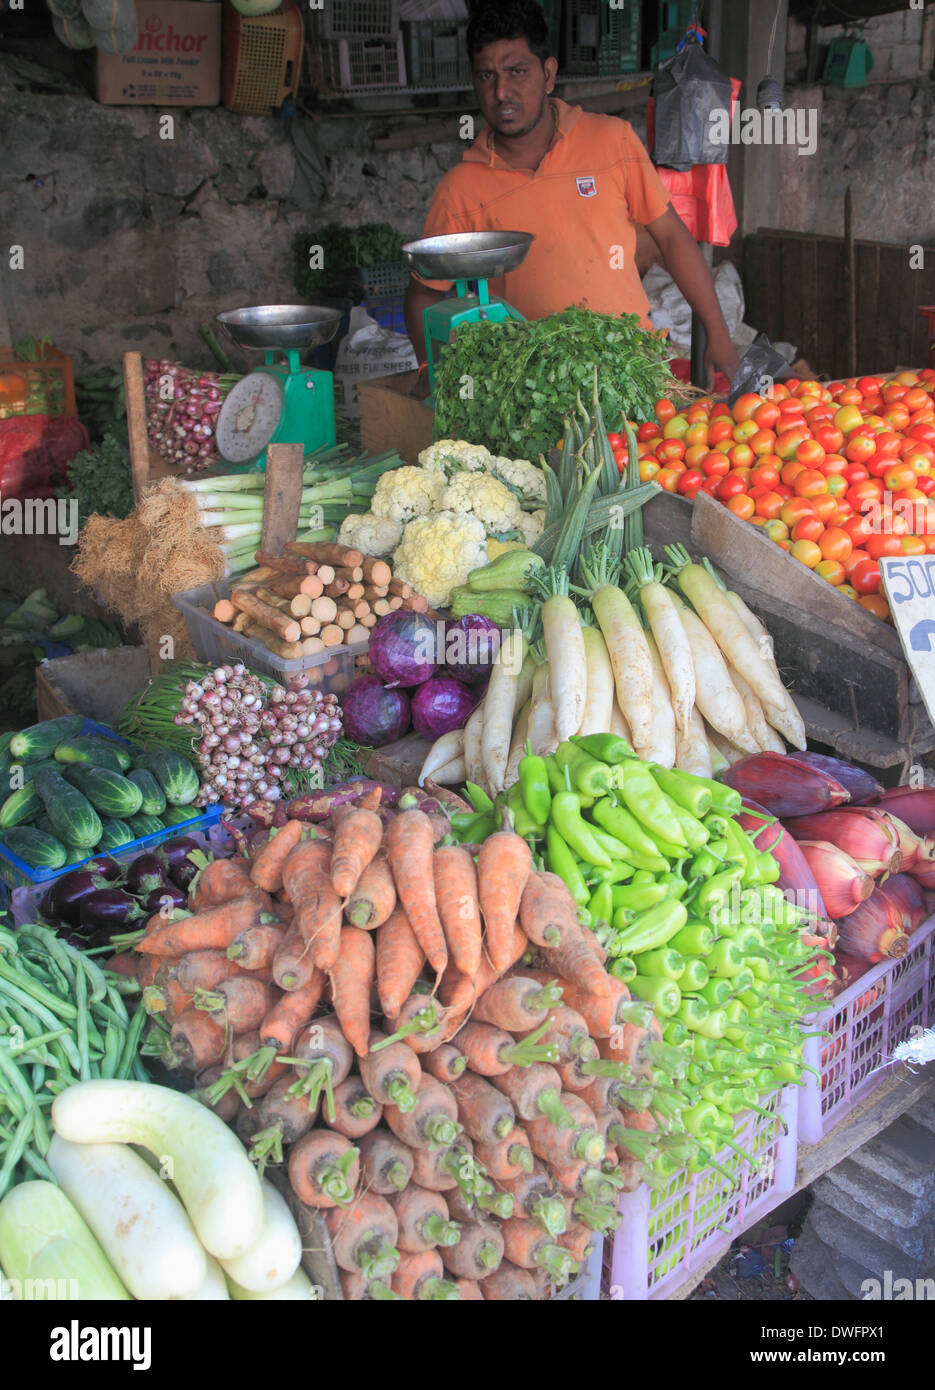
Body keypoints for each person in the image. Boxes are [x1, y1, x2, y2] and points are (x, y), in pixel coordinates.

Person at [404, 0, 740, 392]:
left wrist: (718, 334)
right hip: (530, 394)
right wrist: (433, 375)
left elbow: (672, 237)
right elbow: (424, 296)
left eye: (516, 72)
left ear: (548, 74)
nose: (501, 92)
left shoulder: (611, 140)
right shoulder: (460, 189)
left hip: (632, 373)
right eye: (486, 76)